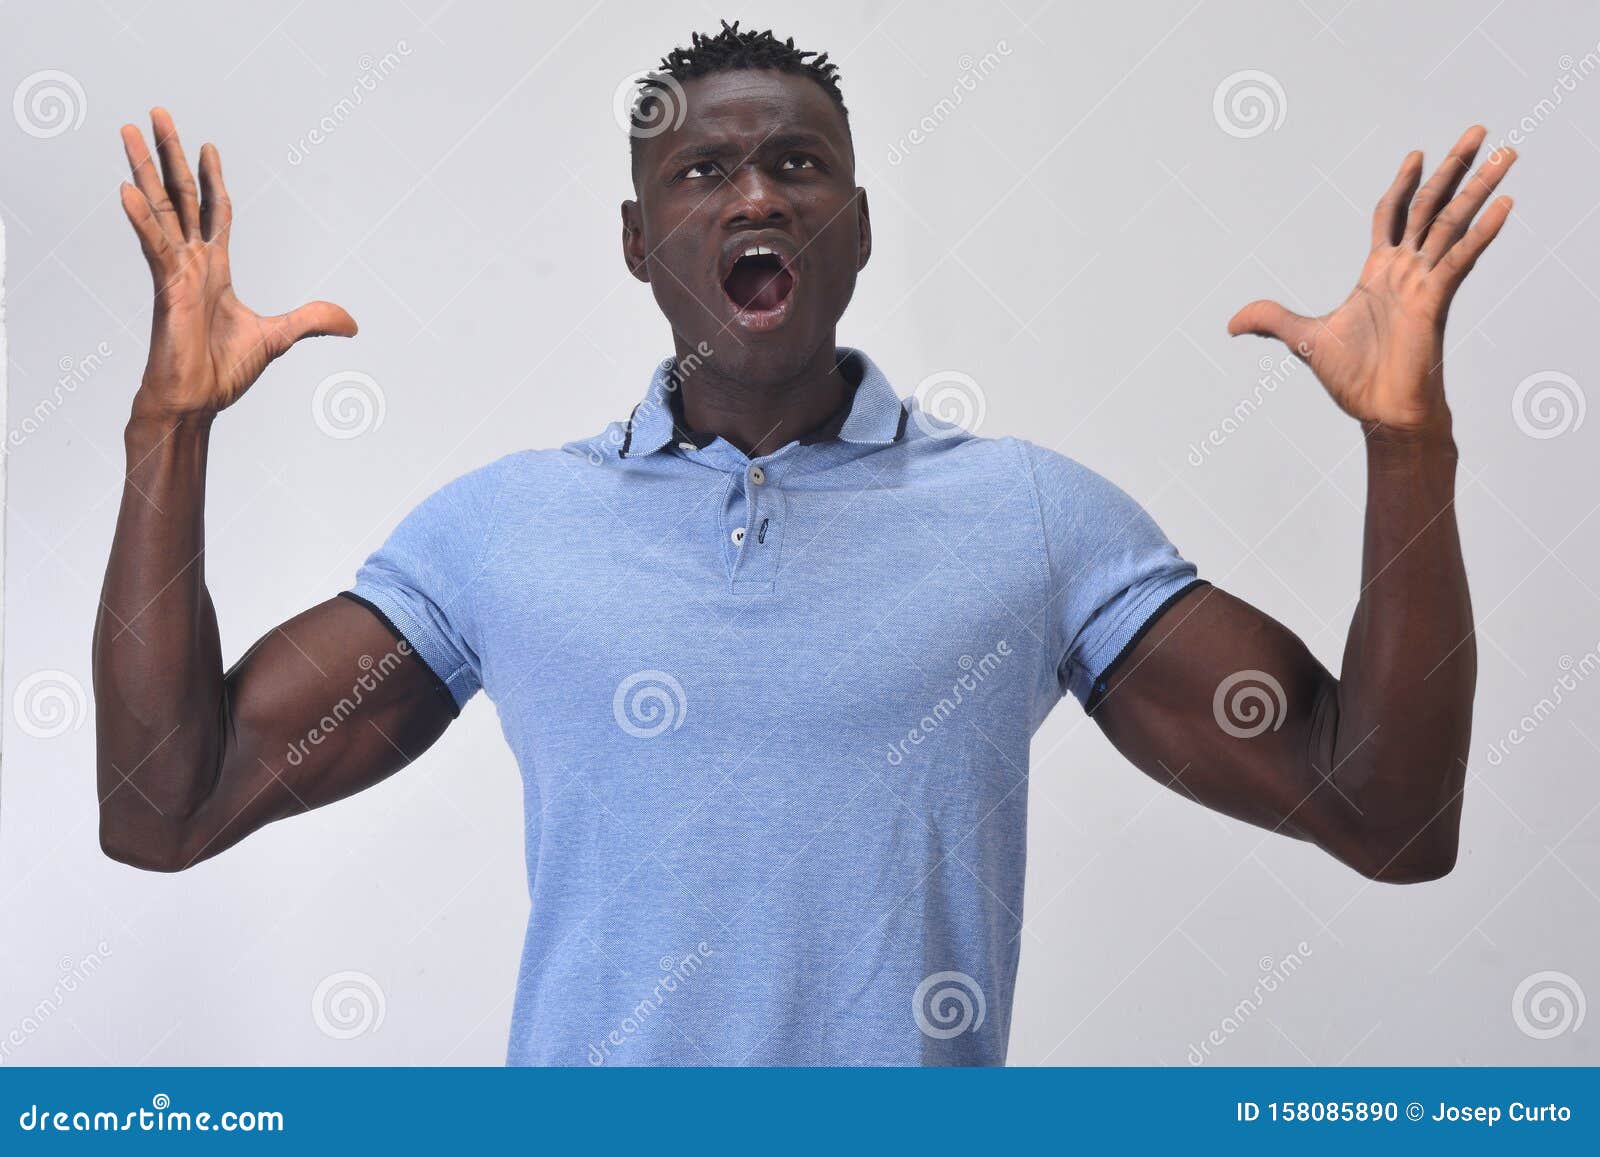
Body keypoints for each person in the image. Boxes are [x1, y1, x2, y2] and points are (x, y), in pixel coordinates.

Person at [93, 22, 1515, 1065]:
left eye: (796, 164)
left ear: (859, 226)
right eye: (702, 172)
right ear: (640, 242)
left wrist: (1408, 445)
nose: (755, 195)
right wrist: (169, 431)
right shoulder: (503, 529)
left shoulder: (1029, 516)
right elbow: (169, 805)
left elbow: (1386, 818)